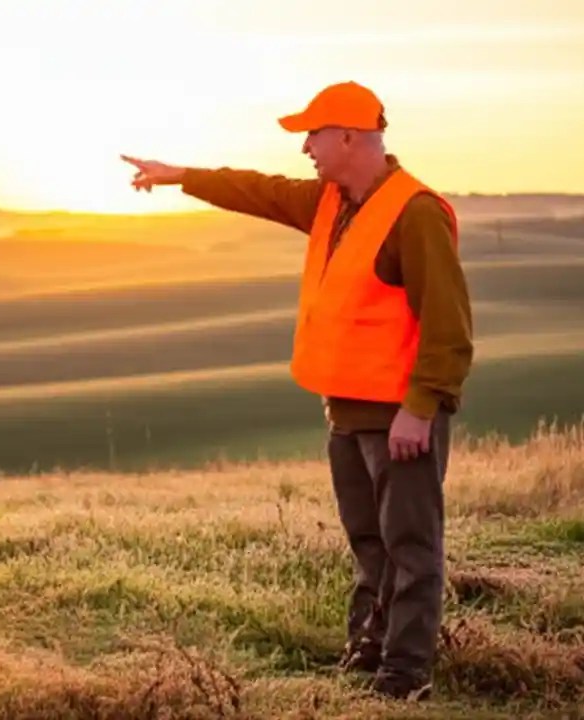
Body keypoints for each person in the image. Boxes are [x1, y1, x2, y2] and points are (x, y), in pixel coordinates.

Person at [122, 81, 473, 701]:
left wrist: (420, 410)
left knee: (410, 546)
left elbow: (448, 327)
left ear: (348, 136)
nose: (305, 146)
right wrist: (181, 176)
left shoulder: (415, 213)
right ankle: (369, 650)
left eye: (313, 134)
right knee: (370, 545)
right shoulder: (332, 202)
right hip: (346, 412)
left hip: (399, 417)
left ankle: (406, 673)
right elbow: (257, 189)